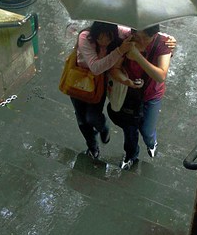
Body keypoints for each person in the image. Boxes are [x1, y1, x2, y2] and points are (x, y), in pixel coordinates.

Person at [70, 21, 176, 160]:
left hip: (109, 86)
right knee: (84, 120)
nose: (104, 42)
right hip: (80, 80)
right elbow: (98, 68)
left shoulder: (126, 34)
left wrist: (170, 39)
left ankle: (146, 141)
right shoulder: (86, 37)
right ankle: (94, 147)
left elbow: (160, 73)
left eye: (108, 37)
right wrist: (121, 54)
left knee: (94, 118)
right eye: (99, 38)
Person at [108, 24, 173, 169]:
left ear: (151, 36)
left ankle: (151, 142)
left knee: (147, 130)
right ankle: (131, 155)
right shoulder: (127, 40)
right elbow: (115, 69)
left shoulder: (163, 44)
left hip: (152, 95)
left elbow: (161, 75)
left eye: (139, 34)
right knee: (129, 130)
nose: (134, 35)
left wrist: (137, 56)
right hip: (129, 95)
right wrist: (127, 81)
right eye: (133, 31)